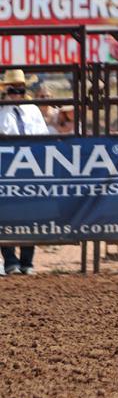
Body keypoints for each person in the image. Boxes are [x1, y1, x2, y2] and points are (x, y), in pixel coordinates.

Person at [0, 69, 49, 275]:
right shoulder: (1, 111)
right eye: (13, 90)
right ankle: (10, 260)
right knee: (6, 214)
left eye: (20, 89)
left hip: (31, 166)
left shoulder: (33, 110)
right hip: (5, 168)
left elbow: (43, 135)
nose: (17, 93)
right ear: (5, 90)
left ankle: (27, 261)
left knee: (30, 214)